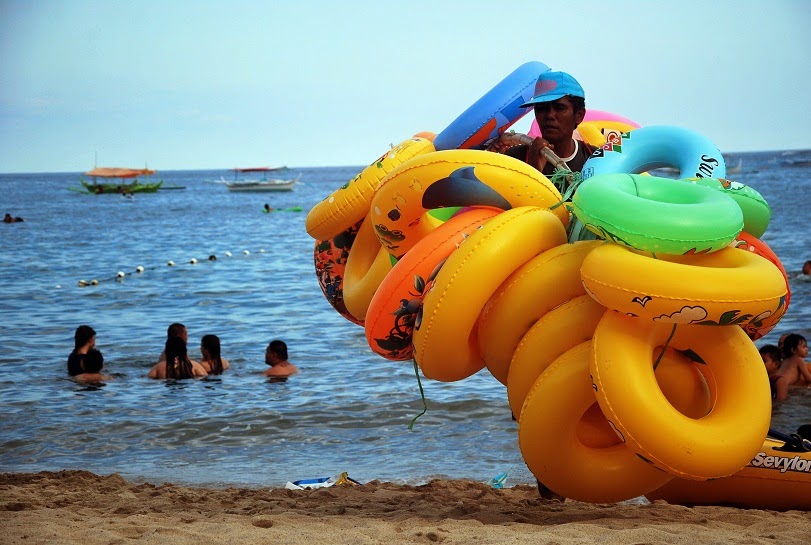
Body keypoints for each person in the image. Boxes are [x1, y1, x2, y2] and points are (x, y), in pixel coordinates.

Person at [503, 71, 593, 178]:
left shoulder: (595, 158)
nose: (550, 115)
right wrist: (533, 170)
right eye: (542, 108)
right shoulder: (515, 158)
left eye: (559, 108)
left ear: (579, 115)